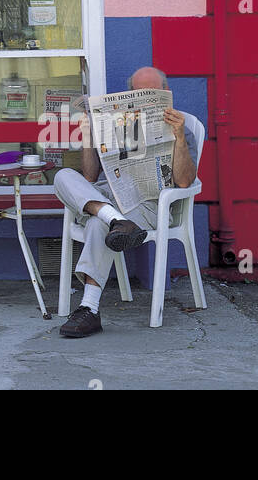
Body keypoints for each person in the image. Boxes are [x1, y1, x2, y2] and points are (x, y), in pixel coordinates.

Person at [53, 66, 197, 338]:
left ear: (164, 93)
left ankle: (89, 308)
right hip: (109, 199)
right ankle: (115, 220)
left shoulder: (182, 128)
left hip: (150, 205)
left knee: (99, 224)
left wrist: (178, 138)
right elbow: (89, 177)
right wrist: (88, 135)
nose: (143, 97)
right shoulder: (118, 124)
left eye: (151, 92)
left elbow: (185, 182)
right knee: (63, 176)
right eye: (136, 92)